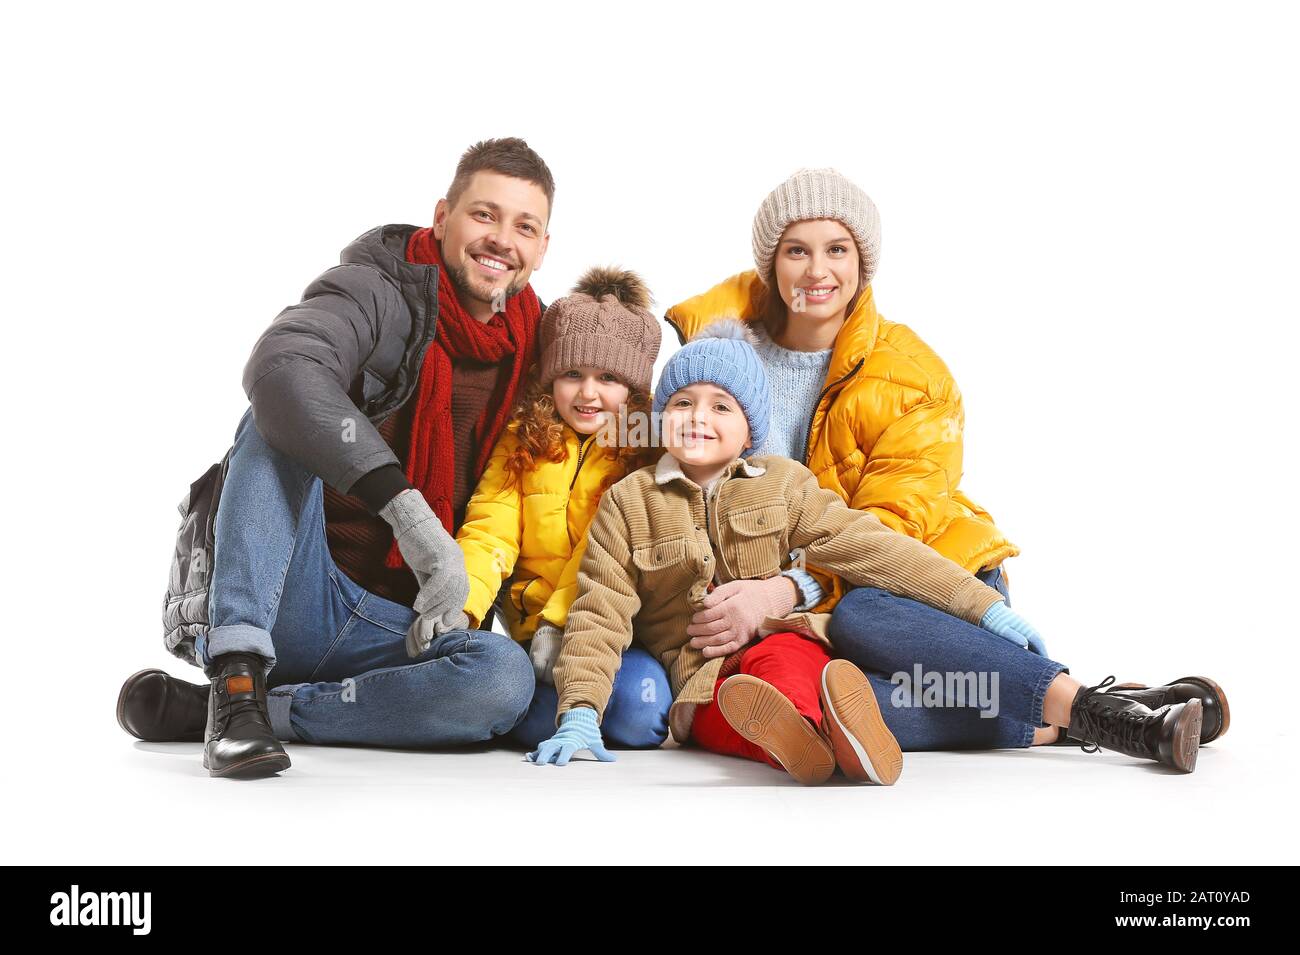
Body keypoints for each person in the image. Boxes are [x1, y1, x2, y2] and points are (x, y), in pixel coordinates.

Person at [662, 168, 1229, 758]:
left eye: (837, 249)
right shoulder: (713, 360)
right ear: (769, 262)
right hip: (805, 622)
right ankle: (1065, 715)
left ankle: (1096, 712)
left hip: (914, 587)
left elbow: (893, 526)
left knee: (861, 616)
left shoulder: (912, 374)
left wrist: (785, 588)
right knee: (813, 700)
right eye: (796, 251)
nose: (816, 271)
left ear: (863, 262)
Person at [527, 321, 1209, 782]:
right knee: (740, 704)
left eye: (721, 406)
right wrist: (580, 707)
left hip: (789, 646)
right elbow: (600, 611)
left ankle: (835, 733)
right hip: (702, 679)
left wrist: (980, 607)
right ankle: (821, 738)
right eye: (681, 401)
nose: (698, 415)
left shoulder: (787, 486)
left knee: (813, 669)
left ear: (750, 431)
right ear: (658, 416)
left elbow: (875, 548)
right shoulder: (628, 501)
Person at [116, 138, 556, 778]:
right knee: (279, 412)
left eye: (525, 226)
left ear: (543, 248)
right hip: (296, 590)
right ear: (441, 218)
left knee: (500, 680)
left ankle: (252, 711)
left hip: (405, 631)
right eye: (483, 215)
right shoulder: (374, 291)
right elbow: (283, 364)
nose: (501, 240)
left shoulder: (534, 344)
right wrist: (409, 516)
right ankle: (237, 677)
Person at [453, 266, 673, 750]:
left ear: (634, 389)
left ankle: (588, 706)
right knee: (515, 716)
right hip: (530, 638)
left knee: (643, 715)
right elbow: (491, 527)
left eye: (608, 378)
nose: (588, 392)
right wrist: (462, 604)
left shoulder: (644, 454)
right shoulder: (522, 440)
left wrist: (562, 622)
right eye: (572, 374)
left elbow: (608, 553)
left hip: (611, 635)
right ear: (551, 377)